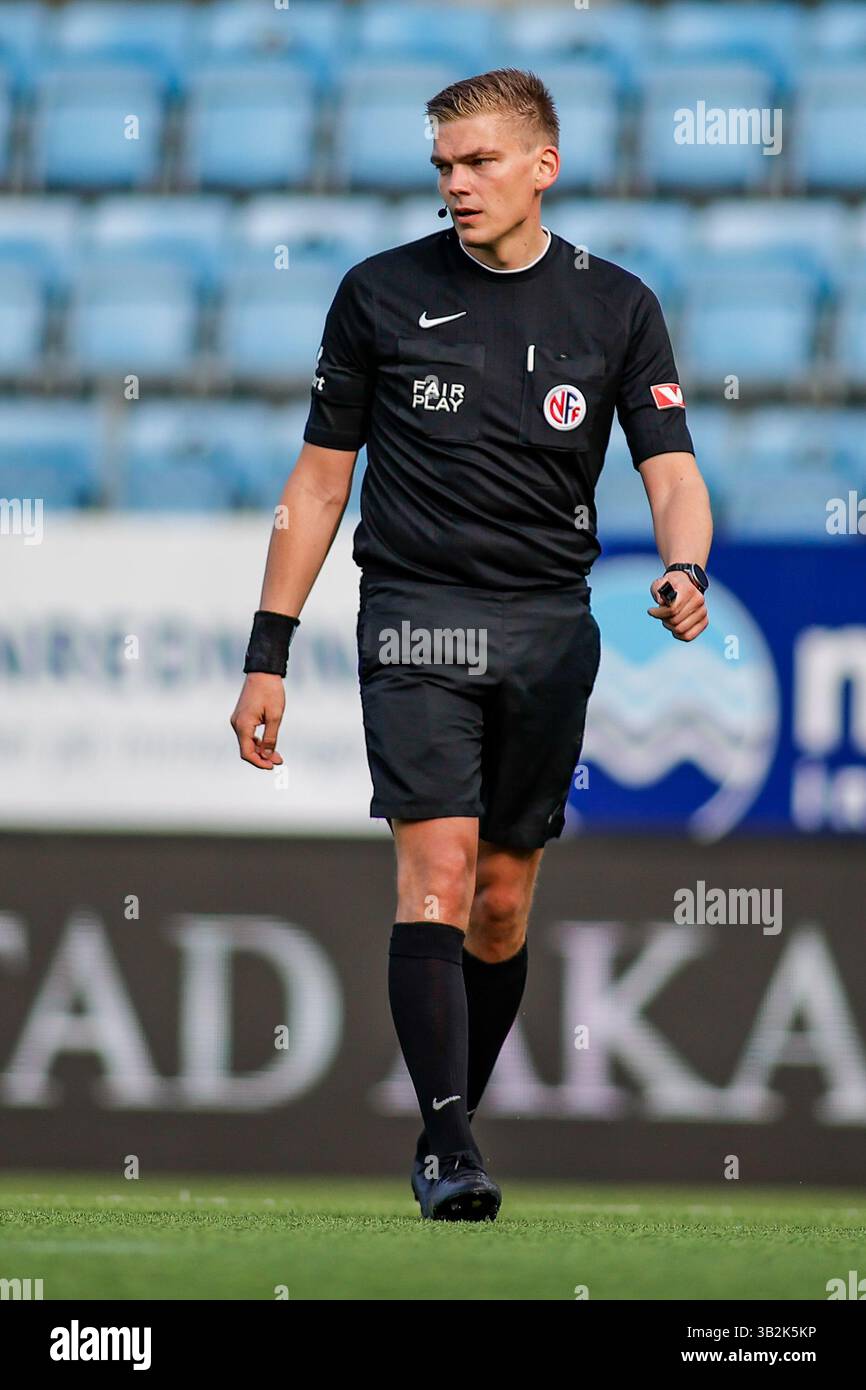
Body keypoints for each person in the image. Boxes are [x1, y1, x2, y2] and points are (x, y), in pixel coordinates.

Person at [230, 68, 712, 1222]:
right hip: (411, 614)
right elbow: (317, 481)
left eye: (478, 161)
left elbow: (672, 468)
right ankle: (449, 1143)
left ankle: (449, 1119)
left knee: (499, 899)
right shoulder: (377, 294)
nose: (454, 183)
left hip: (550, 626)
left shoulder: (616, 306)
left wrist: (685, 565)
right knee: (436, 874)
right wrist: (267, 650)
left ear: (543, 165)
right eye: (442, 165)